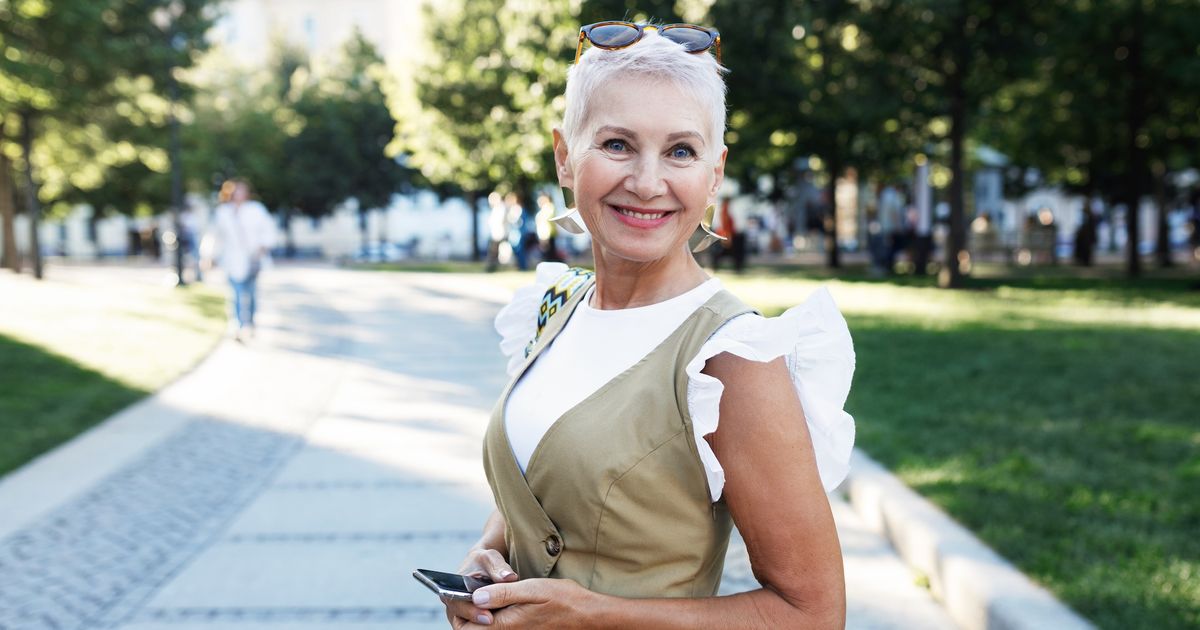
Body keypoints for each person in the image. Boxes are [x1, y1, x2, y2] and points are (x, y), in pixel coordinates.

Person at [443, 22, 855, 629]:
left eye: (680, 151)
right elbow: (544, 489)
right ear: (565, 157)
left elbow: (813, 614)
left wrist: (596, 616)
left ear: (715, 174)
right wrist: (488, 557)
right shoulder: (556, 306)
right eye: (617, 144)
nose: (646, 182)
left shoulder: (729, 359)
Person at [203, 179, 276, 341]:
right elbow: (215, 235)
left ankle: (250, 322)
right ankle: (239, 325)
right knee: (235, 293)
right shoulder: (223, 212)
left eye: (242, 191)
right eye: (236, 191)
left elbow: (268, 230)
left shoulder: (256, 209)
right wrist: (209, 255)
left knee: (251, 293)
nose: (239, 194)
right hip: (232, 258)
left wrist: (263, 247)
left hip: (253, 258)